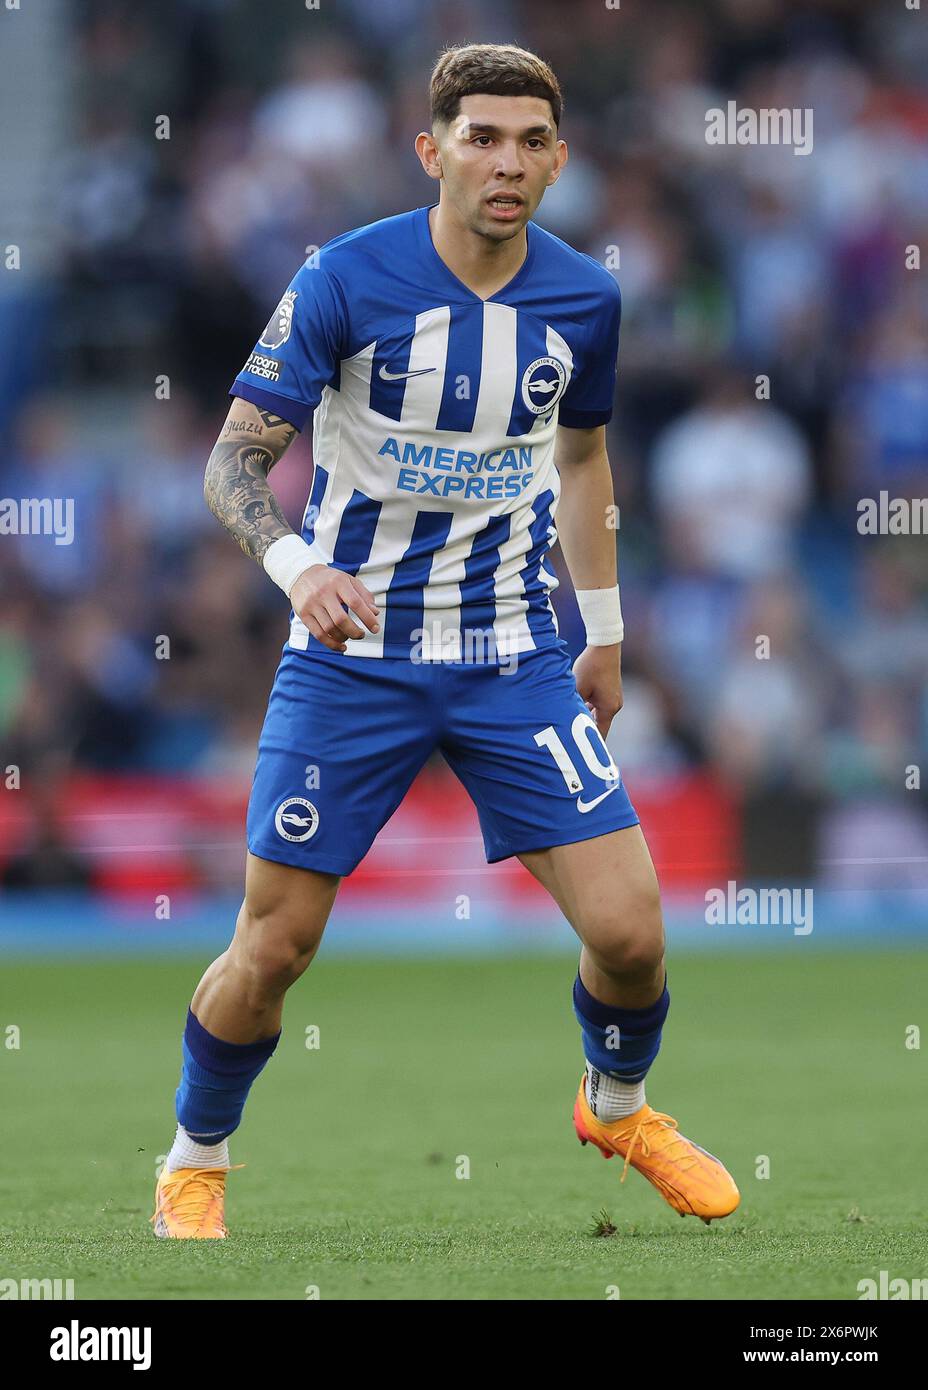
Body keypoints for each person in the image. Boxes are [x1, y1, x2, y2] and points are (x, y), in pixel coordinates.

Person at [151, 42, 739, 1239]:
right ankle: (195, 1158)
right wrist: (297, 563)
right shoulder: (342, 279)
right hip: (352, 656)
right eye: (481, 137)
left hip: (514, 651)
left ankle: (615, 1103)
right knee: (274, 949)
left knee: (630, 935)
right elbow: (232, 463)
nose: (506, 162)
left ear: (560, 158)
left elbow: (581, 460)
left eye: (530, 141)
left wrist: (606, 630)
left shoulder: (584, 296)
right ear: (433, 151)